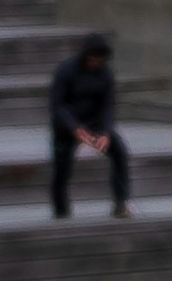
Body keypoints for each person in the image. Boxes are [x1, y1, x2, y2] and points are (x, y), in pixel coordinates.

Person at [49, 35, 131, 219]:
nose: (95, 63)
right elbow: (58, 105)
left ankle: (121, 202)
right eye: (92, 59)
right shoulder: (65, 70)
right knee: (61, 166)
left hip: (94, 122)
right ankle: (61, 211)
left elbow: (108, 105)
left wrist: (105, 132)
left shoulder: (106, 74)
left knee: (119, 152)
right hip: (67, 125)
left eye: (99, 61)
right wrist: (74, 128)